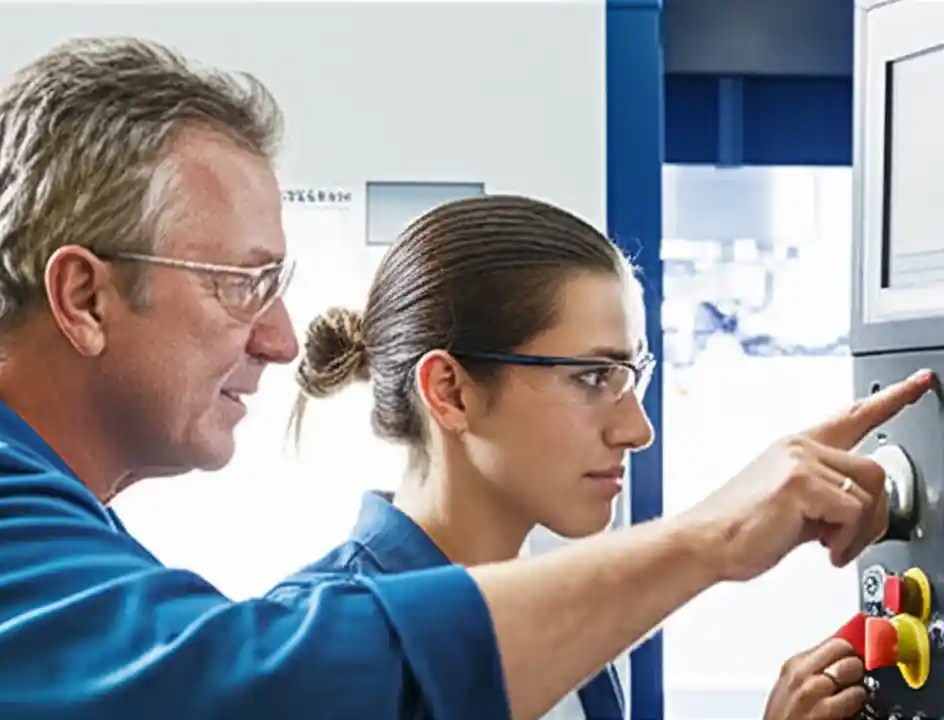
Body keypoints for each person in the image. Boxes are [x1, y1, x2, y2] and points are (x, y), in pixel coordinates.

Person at [0, 36, 930, 720]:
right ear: (83, 296)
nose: (283, 339)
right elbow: (270, 693)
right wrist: (717, 534)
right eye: (239, 282)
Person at [281, 193, 874, 720]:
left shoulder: (569, 630)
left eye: (631, 376)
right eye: (593, 377)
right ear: (450, 392)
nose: (638, 431)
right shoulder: (323, 652)